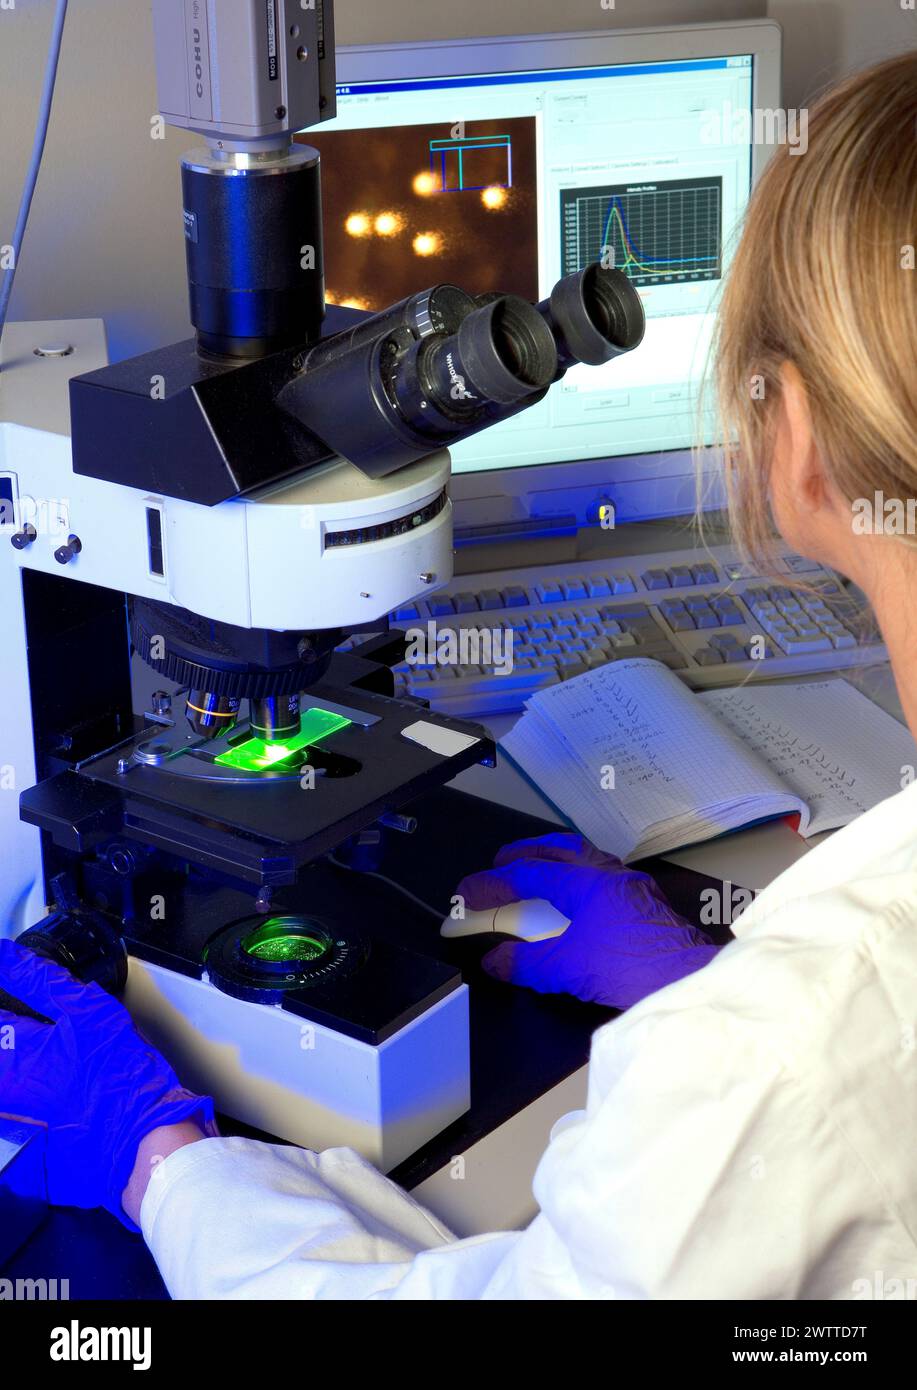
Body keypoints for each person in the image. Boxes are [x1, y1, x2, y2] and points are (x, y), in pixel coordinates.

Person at [2, 51, 916, 1299]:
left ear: (793, 435)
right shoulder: (815, 1016)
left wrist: (155, 1158)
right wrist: (700, 983)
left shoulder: (794, 1044)